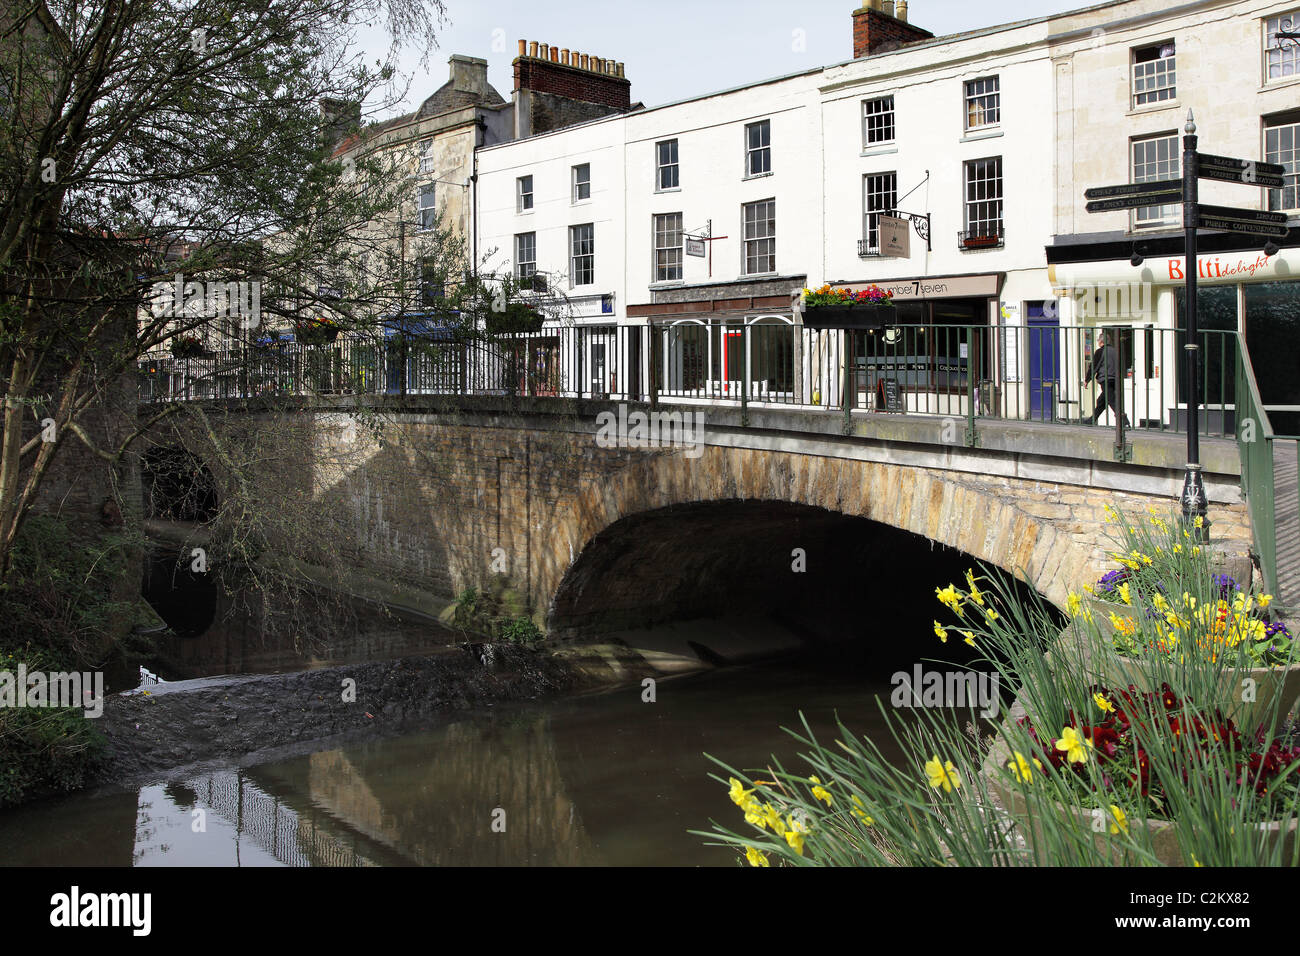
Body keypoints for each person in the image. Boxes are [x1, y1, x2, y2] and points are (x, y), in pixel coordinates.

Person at [1085, 330, 1130, 427]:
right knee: (1101, 401)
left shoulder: (1100, 351)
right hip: (1115, 379)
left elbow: (1093, 366)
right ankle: (1091, 420)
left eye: (1098, 341)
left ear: (1101, 342)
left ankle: (1124, 420)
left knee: (1112, 400)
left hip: (1105, 379)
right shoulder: (1115, 351)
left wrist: (1087, 380)